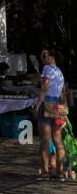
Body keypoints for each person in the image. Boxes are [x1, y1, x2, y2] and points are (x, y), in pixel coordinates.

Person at [37, 49, 68, 181]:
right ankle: (60, 172)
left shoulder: (47, 69)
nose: (42, 58)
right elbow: (63, 92)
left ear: (52, 57)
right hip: (58, 106)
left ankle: (45, 172)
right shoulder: (59, 72)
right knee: (58, 140)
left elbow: (45, 87)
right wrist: (64, 107)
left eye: (45, 55)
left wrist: (39, 103)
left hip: (48, 103)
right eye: (41, 56)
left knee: (45, 140)